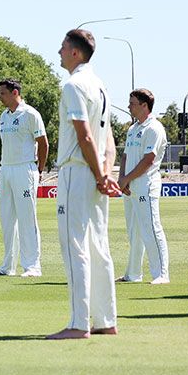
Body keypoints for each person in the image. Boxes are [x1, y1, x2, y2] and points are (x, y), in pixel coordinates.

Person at [48, 29, 121, 341]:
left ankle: (79, 323)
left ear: (75, 52)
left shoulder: (74, 84)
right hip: (94, 172)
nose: (59, 52)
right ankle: (105, 319)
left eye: (63, 47)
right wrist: (105, 173)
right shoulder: (100, 85)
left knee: (74, 244)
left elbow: (85, 135)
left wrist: (100, 174)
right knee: (98, 245)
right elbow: (108, 140)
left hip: (78, 172)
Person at [0, 79, 47, 277]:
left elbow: (43, 142)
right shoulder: (4, 116)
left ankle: (32, 266)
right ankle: (7, 266)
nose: (0, 97)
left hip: (25, 169)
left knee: (26, 218)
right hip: (6, 169)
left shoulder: (30, 114)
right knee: (7, 218)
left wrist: (39, 168)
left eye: (3, 93)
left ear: (15, 93)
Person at [117, 88, 169, 285]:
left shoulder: (154, 128)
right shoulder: (133, 128)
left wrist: (127, 178)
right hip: (129, 185)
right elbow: (125, 156)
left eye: (132, 103)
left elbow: (149, 160)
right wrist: (122, 178)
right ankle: (133, 273)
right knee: (134, 231)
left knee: (152, 228)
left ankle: (161, 274)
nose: (129, 106)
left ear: (144, 105)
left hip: (146, 184)